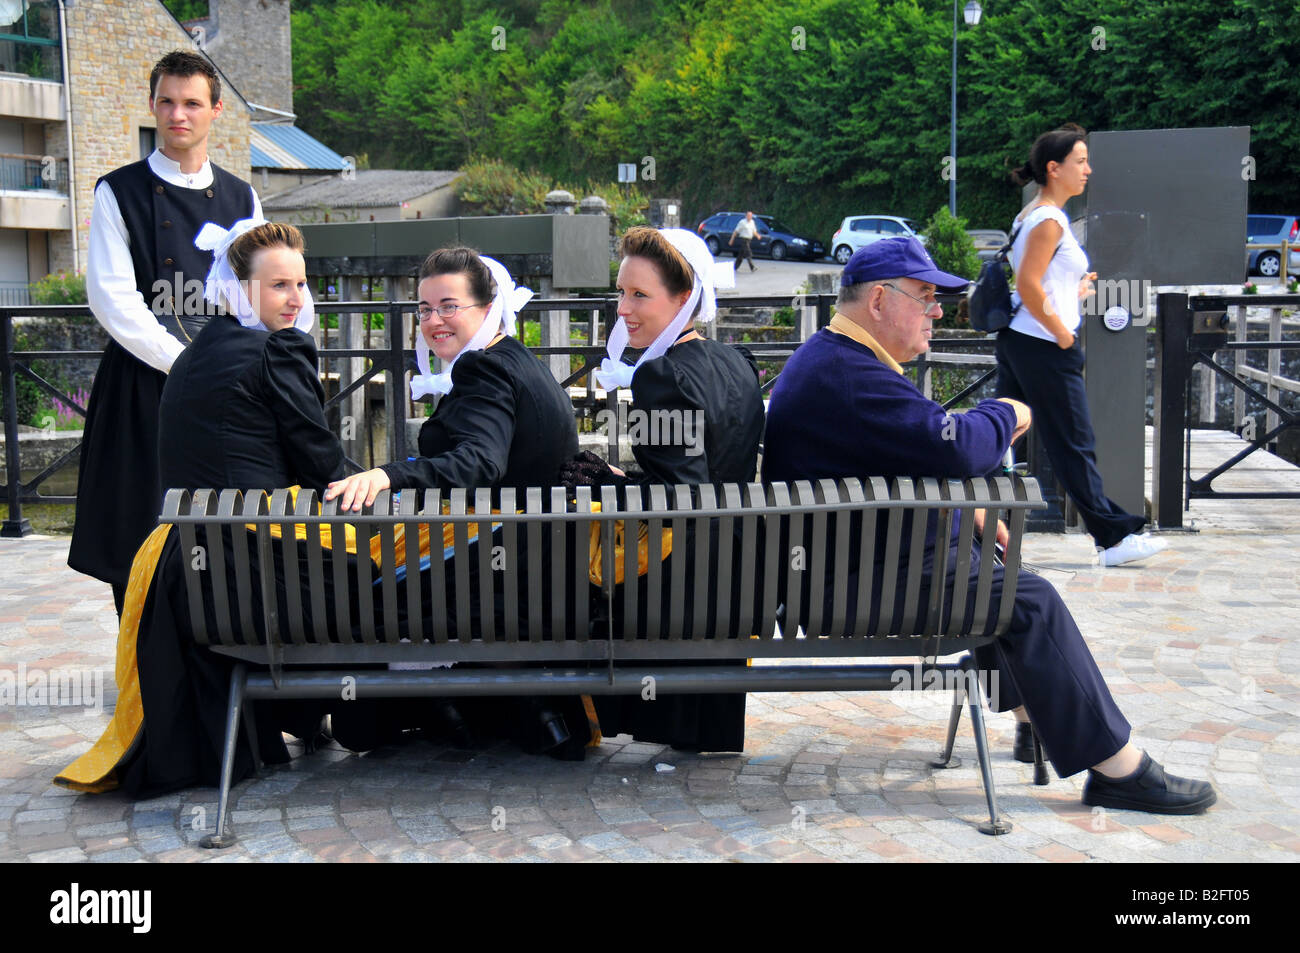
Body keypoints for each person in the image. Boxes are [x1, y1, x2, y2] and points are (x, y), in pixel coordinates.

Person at [762, 236, 1216, 815]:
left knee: (992, 571)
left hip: (851, 568)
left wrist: (971, 514)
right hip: (847, 586)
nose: (937, 312)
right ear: (878, 300)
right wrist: (1011, 408)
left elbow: (909, 458)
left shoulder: (840, 360)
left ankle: (1035, 720)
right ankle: (1119, 771)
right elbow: (956, 446)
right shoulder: (849, 374)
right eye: (925, 297)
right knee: (1028, 600)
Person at [56, 220, 348, 796]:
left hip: (185, 571)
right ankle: (420, 712)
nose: (296, 299)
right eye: (279, 286)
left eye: (301, 284)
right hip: (251, 575)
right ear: (239, 289)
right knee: (391, 575)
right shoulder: (279, 350)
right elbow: (324, 466)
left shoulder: (191, 357)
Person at [322, 247, 588, 757]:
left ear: (487, 307)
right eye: (423, 309)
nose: (432, 321)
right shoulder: (519, 362)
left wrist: (387, 475)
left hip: (502, 574)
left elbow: (478, 463)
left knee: (358, 584)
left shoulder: (482, 371)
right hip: (541, 564)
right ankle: (470, 706)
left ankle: (424, 705)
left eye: (448, 306)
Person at [69, 50, 262, 618]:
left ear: (216, 110)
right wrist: (183, 364)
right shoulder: (117, 191)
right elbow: (112, 298)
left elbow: (259, 292)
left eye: (192, 103)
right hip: (141, 385)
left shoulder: (242, 197)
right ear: (153, 106)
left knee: (226, 530)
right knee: (137, 532)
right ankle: (144, 681)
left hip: (225, 390)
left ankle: (217, 670)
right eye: (168, 102)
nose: (179, 114)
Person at [562, 226, 765, 752]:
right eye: (621, 293)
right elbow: (708, 473)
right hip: (738, 573)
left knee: (560, 575)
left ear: (683, 299)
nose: (622, 309)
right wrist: (628, 480)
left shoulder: (660, 377)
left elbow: (680, 497)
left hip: (685, 581)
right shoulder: (736, 363)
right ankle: (704, 731)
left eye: (639, 295)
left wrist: (610, 486)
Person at [996, 123, 1165, 569]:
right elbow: (1028, 284)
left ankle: (982, 525)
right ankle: (1112, 538)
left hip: (1023, 339)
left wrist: (1074, 290)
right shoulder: (1049, 219)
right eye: (1080, 161)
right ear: (1055, 168)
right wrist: (1063, 332)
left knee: (1003, 432)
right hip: (1045, 344)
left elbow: (1041, 283)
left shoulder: (1033, 214)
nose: (1088, 169)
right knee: (1073, 441)